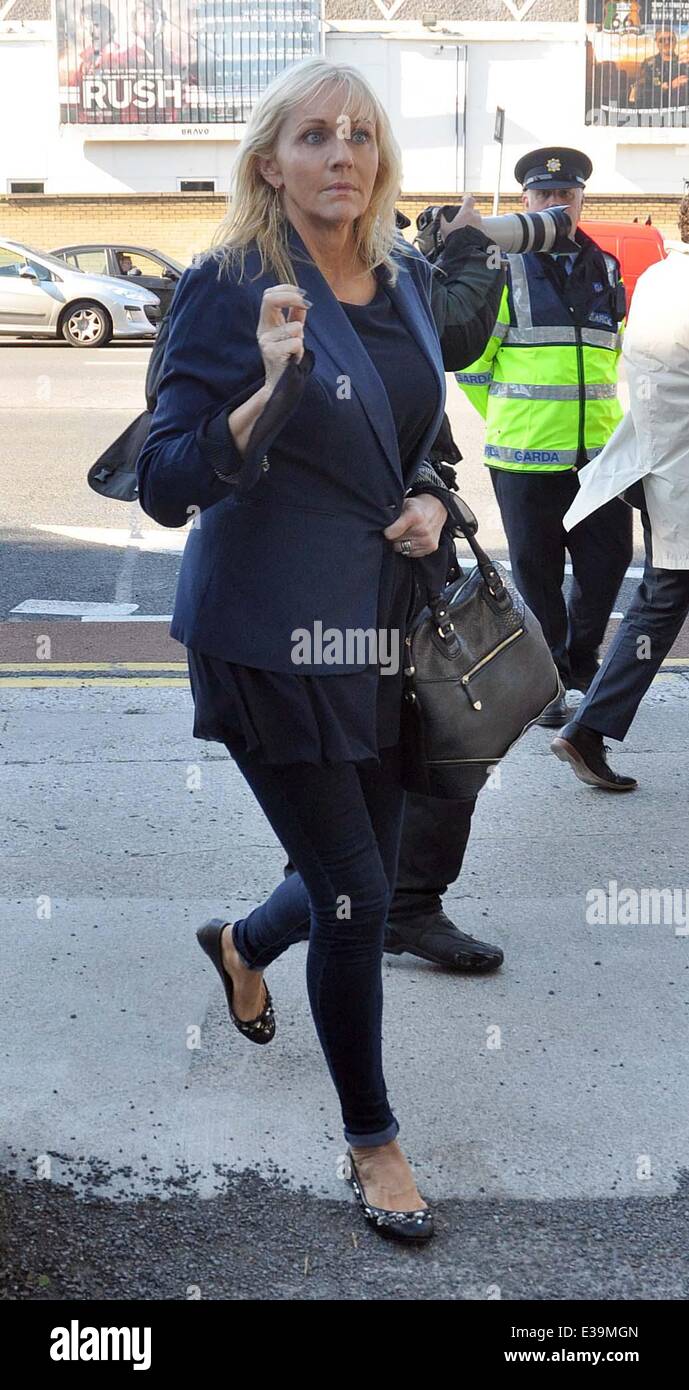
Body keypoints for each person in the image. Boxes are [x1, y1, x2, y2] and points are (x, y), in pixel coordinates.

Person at [136, 56, 505, 1242]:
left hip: (385, 629)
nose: (338, 154)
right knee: (355, 892)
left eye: (357, 134)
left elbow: (423, 445)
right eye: (311, 136)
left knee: (355, 866)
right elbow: (165, 478)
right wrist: (270, 387)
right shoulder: (224, 286)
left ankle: (241, 944)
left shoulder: (397, 282)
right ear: (268, 160)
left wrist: (433, 503)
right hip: (268, 636)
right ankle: (372, 1141)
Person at [455, 147, 633, 728]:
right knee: (537, 576)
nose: (557, 205)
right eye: (545, 195)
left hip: (600, 458)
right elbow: (471, 363)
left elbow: (614, 359)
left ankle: (579, 665)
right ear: (526, 201)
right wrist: (511, 418)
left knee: (607, 565)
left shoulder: (605, 268)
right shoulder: (502, 268)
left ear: (581, 199)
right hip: (525, 459)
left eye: (567, 195)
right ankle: (549, 681)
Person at [551, 220, 689, 790]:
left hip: (663, 469)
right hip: (678, 470)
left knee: (662, 599)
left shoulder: (659, 276)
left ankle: (589, 727)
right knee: (661, 600)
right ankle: (587, 726)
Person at [628, 29, 689, 109]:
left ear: (675, 41)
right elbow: (642, 92)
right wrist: (670, 85)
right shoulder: (649, 64)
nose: (667, 43)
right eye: (662, 40)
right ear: (656, 43)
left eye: (670, 39)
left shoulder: (684, 63)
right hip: (657, 112)